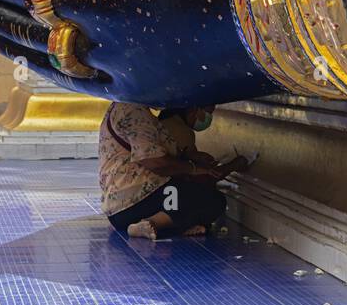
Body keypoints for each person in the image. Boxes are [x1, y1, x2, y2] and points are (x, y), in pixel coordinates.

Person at [98, 102, 249, 241]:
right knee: (210, 200)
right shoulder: (133, 111)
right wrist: (194, 169)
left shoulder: (126, 108)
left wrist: (189, 157)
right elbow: (157, 163)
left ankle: (175, 226)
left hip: (120, 208)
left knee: (192, 197)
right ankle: (149, 224)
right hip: (137, 201)